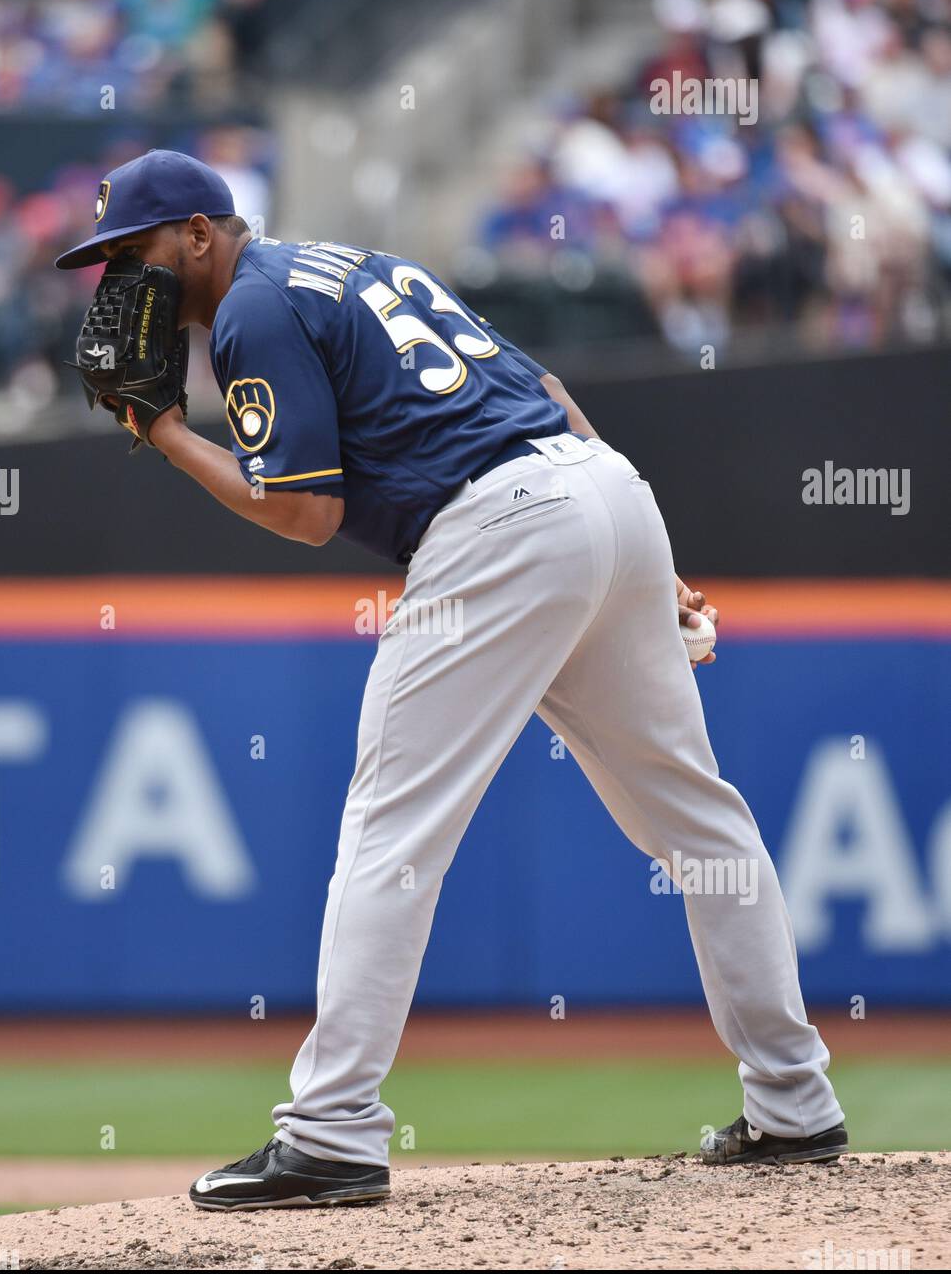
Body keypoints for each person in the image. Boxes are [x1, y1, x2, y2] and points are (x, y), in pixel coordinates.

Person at [56, 150, 846, 1211]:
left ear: (200, 233)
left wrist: (160, 431)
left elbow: (304, 511)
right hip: (599, 487)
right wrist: (634, 563)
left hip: (497, 531)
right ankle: (795, 1102)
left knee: (391, 826)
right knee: (699, 820)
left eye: (135, 251)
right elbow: (550, 390)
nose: (120, 282)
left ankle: (331, 1132)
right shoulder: (346, 264)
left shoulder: (251, 307)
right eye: (105, 262)